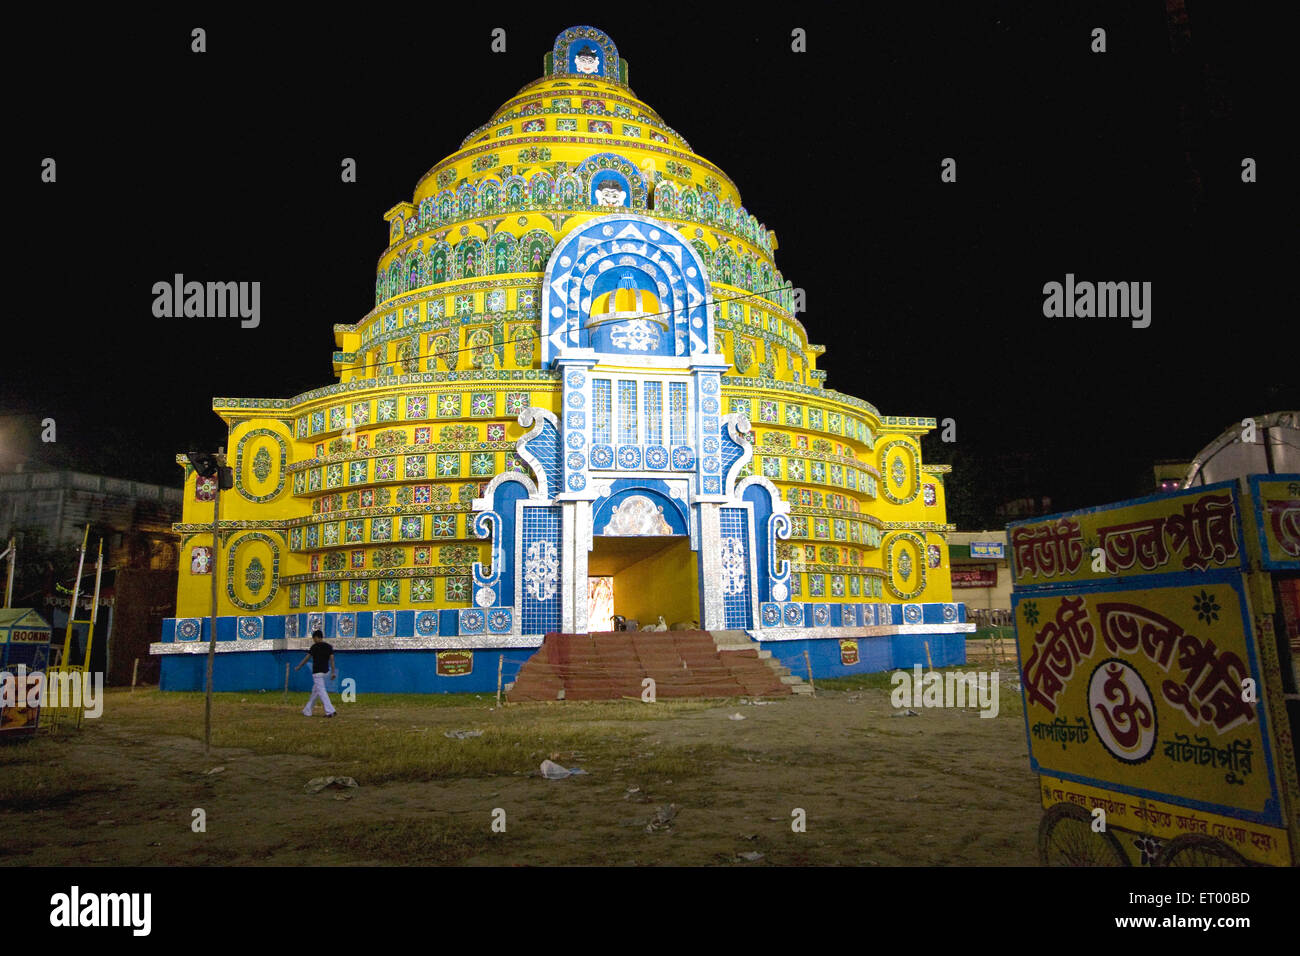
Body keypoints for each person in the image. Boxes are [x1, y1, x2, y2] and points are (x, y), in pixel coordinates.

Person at [295, 629, 337, 717]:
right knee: (315, 691)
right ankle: (307, 710)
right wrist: (333, 672)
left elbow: (307, 658)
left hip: (317, 672)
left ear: (317, 637)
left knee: (321, 691)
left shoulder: (314, 647)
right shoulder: (329, 647)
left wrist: (299, 666)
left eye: (314, 638)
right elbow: (332, 660)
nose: (313, 640)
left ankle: (330, 711)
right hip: (326, 672)